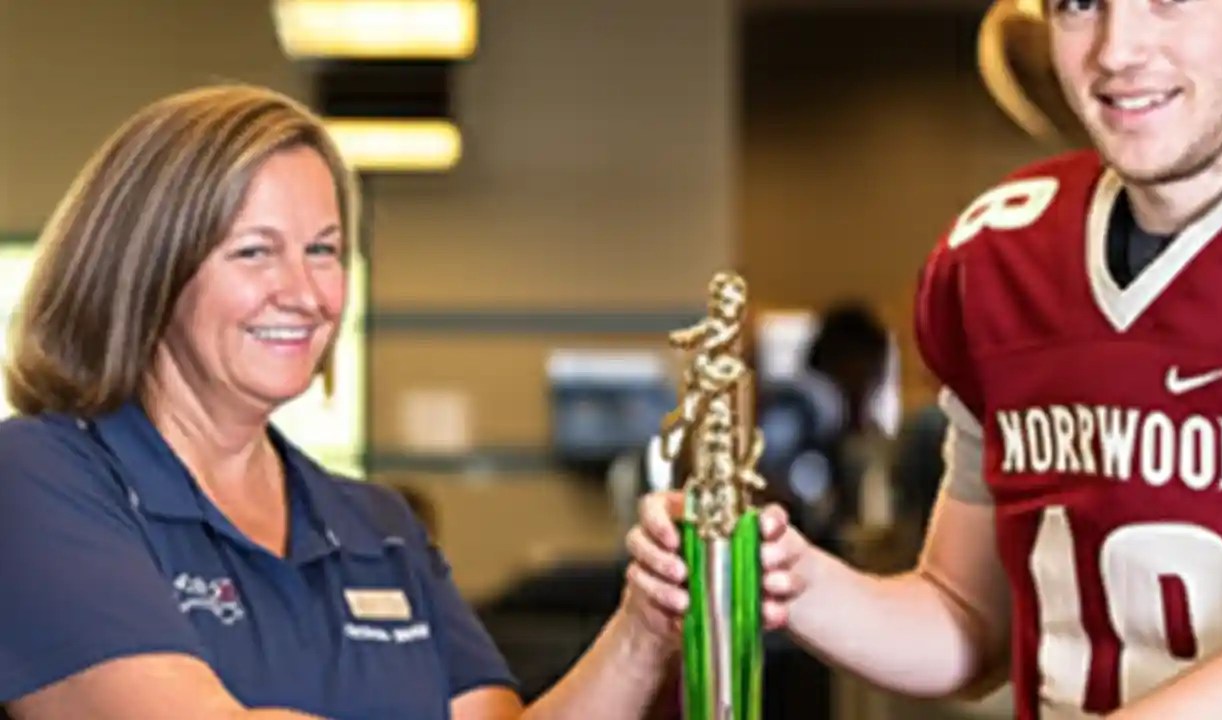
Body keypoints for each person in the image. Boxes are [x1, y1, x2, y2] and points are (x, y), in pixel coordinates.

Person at [0, 84, 804, 720]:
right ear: (148, 273)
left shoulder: (376, 527)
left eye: (324, 251)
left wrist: (642, 629)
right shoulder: (41, 479)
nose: (306, 292)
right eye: (255, 252)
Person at [628, 0, 1222, 717]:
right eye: (1078, 4)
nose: (1116, 49)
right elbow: (967, 621)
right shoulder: (1003, 256)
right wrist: (780, 573)